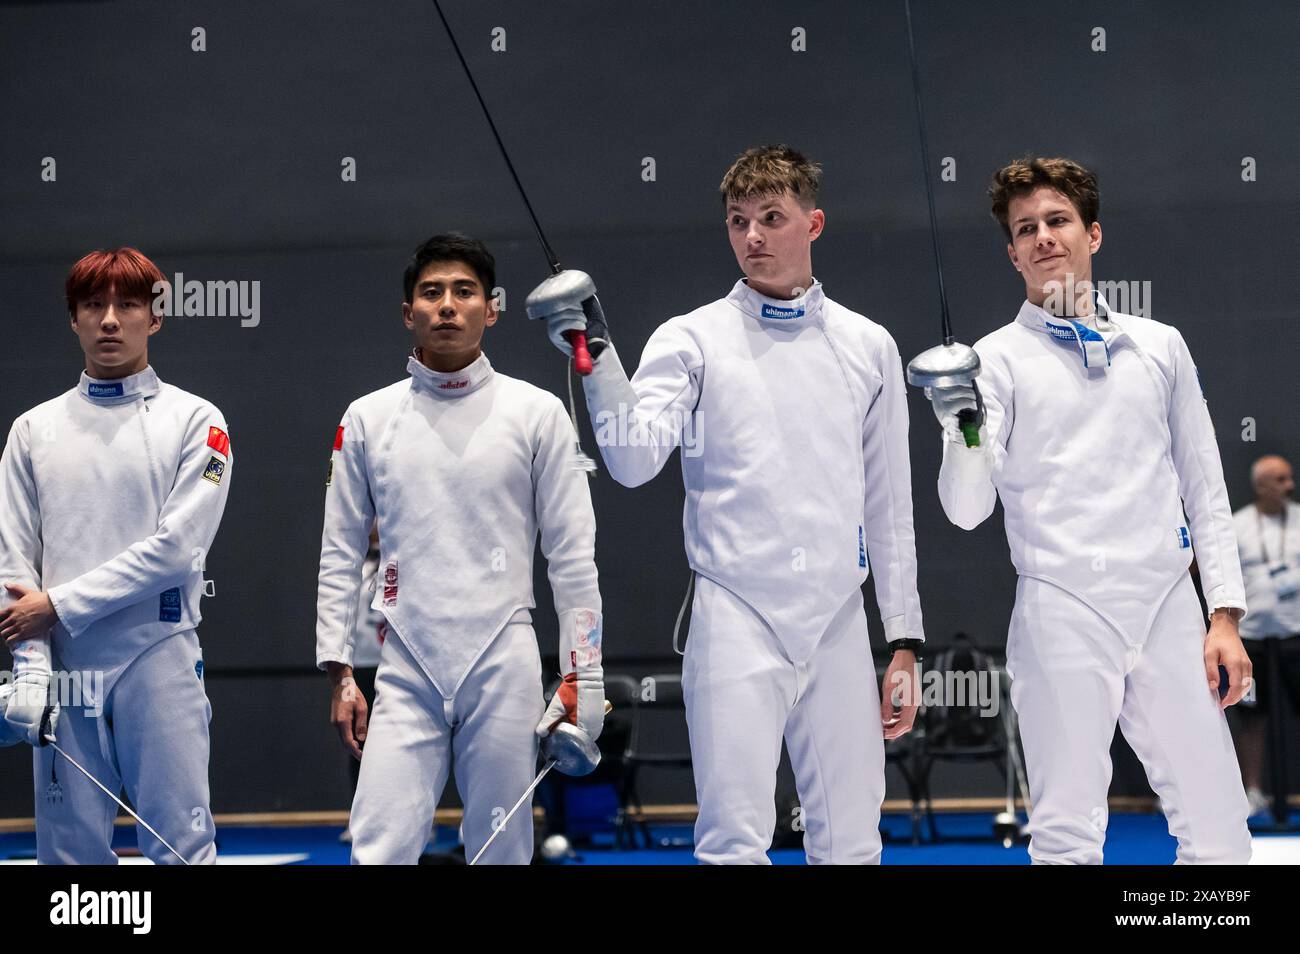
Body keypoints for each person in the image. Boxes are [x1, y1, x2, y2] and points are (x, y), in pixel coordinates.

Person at [527, 145, 925, 865]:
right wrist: (596, 354)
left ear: (814, 223)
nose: (754, 237)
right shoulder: (694, 338)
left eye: (772, 218)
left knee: (853, 841)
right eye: (739, 221)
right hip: (735, 614)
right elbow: (631, 458)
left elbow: (889, 503)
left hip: (837, 618)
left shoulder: (869, 346)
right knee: (733, 841)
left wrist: (904, 639)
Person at [927, 156, 1253, 863]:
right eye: (1026, 228)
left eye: (1057, 221)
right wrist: (963, 429)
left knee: (1222, 831)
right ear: (1012, 253)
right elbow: (965, 510)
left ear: (1092, 235)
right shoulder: (992, 361)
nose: (1043, 236)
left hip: (1168, 604)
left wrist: (1223, 613)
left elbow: (1205, 487)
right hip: (1062, 610)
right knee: (1068, 834)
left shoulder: (1160, 346)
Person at [317, 232, 604, 865]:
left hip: (504, 654)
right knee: (380, 845)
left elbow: (572, 555)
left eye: (464, 292)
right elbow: (339, 549)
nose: (448, 304)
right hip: (406, 659)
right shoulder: (366, 417)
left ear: (491, 308)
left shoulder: (538, 412)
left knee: (501, 847)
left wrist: (585, 671)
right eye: (432, 292)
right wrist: (340, 670)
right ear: (408, 313)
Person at [0, 247, 232, 864]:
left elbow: (178, 549)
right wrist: (30, 666)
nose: (109, 319)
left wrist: (60, 604)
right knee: (67, 851)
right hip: (64, 667)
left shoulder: (198, 421)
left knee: (182, 844)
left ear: (155, 317)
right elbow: (14, 560)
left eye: (127, 304)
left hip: (158, 652)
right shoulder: (33, 430)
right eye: (93, 305)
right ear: (73, 318)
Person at [1231, 454, 1300, 814]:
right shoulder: (1236, 526)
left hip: (1296, 637)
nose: (1289, 486)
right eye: (1279, 480)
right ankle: (1252, 791)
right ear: (1260, 486)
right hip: (1252, 638)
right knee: (1252, 718)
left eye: (1289, 478)